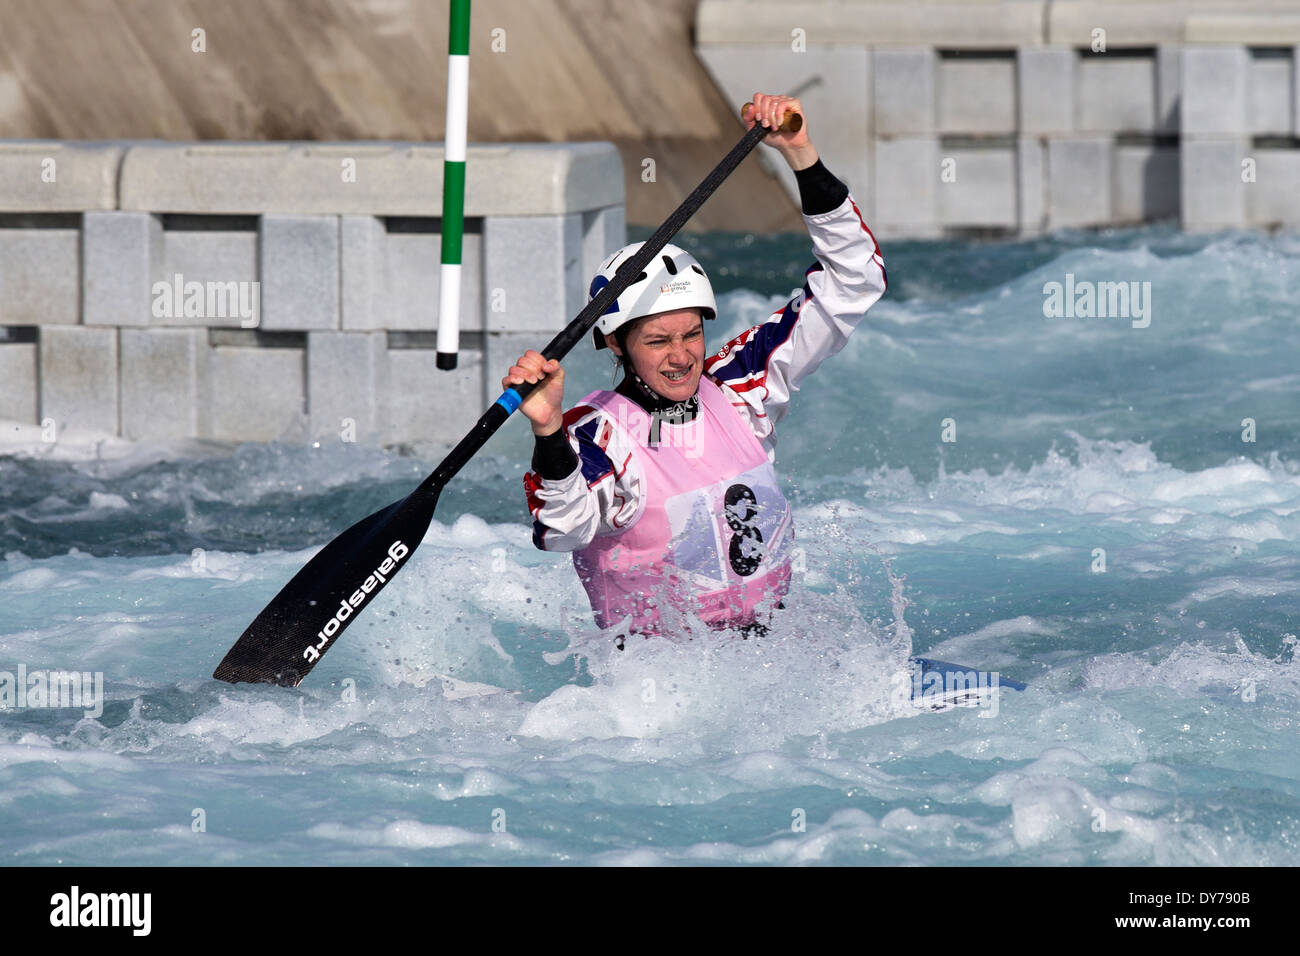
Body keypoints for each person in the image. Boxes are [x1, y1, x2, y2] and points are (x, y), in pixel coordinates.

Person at [501, 92, 887, 647]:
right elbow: (564, 528)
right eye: (657, 341)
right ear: (614, 342)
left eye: (691, 334)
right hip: (666, 689)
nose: (681, 357)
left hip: (782, 652)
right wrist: (546, 428)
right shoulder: (594, 434)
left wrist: (801, 156)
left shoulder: (740, 385)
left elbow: (855, 281)